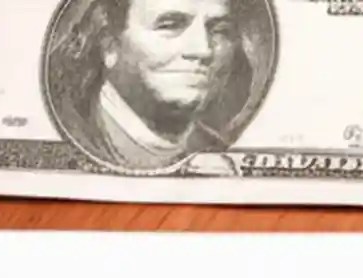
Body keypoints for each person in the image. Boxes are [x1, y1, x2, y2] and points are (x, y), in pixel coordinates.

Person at [63, 0, 258, 170]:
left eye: (220, 30)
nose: (203, 50)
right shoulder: (77, 131)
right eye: (170, 26)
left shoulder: (213, 147)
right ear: (109, 46)